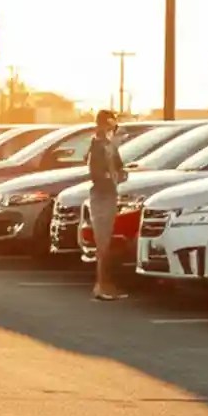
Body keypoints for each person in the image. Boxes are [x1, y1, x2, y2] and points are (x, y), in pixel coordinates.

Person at [88, 110, 128, 301]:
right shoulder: (97, 145)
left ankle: (106, 285)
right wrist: (111, 176)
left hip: (110, 194)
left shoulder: (109, 145)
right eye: (112, 123)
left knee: (107, 242)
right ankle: (101, 285)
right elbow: (95, 173)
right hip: (102, 196)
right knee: (102, 243)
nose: (114, 127)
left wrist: (120, 173)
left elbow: (120, 167)